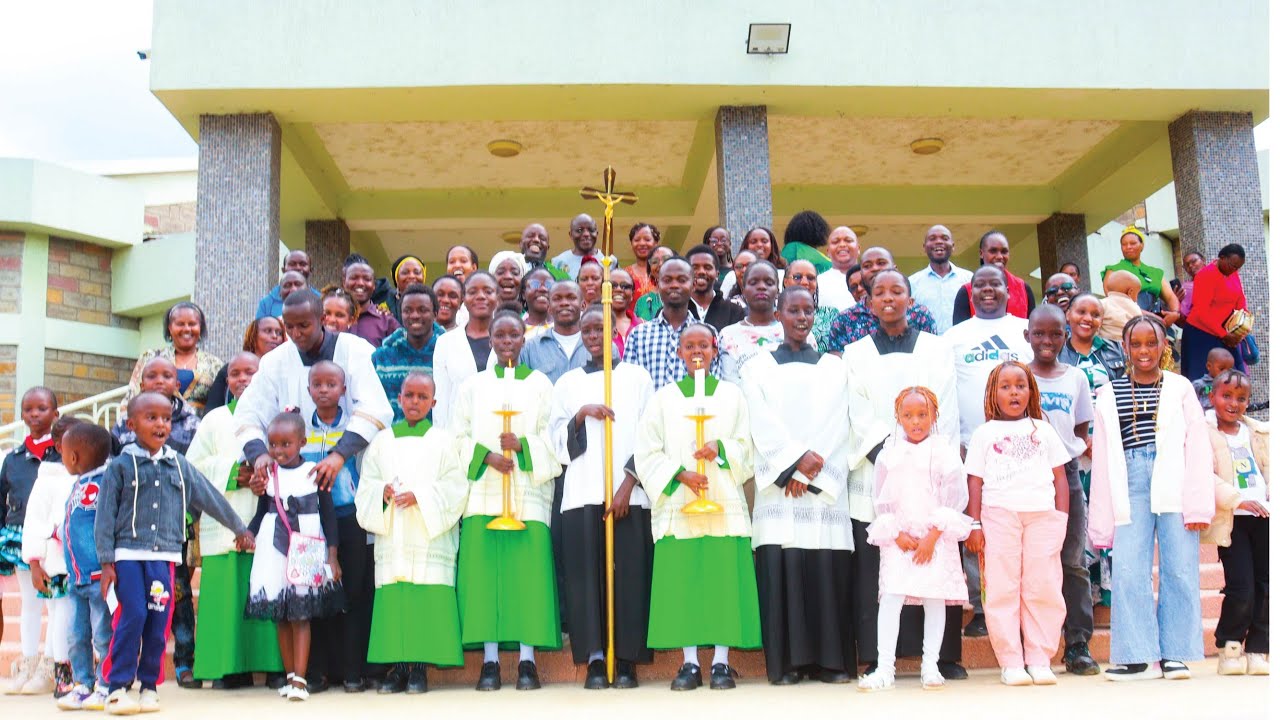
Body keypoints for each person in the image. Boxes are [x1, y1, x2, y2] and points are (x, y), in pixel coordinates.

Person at [95, 392, 254, 714]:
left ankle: (149, 686)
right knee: (133, 614)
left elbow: (209, 496)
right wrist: (106, 561)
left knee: (158, 620)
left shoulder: (179, 465)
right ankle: (117, 686)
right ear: (131, 424)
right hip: (127, 556)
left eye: (166, 418)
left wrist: (239, 527)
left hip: (164, 557)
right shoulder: (121, 466)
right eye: (151, 418)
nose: (160, 424)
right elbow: (105, 514)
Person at [844, 270, 964, 680]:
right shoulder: (855, 352)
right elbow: (856, 410)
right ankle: (883, 659)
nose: (889, 298)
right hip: (884, 470)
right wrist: (891, 455)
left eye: (898, 290)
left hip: (931, 475)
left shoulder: (935, 347)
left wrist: (929, 459)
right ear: (869, 302)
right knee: (888, 574)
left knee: (932, 565)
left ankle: (940, 659)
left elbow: (945, 405)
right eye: (880, 292)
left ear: (911, 299)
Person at [635, 323, 760, 691]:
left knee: (723, 584)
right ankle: (689, 664)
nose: (696, 352)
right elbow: (646, 451)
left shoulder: (732, 396)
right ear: (678, 352)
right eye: (689, 345)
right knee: (683, 584)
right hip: (679, 501)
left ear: (714, 349)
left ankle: (721, 663)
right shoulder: (663, 399)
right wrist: (680, 475)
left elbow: (746, 447)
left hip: (722, 500)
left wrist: (721, 450)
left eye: (703, 345)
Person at [1087, 316, 1214, 681]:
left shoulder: (1180, 387)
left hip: (1174, 475)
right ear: (1125, 347)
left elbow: (1198, 446)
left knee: (1179, 568)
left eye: (1151, 343)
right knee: (1128, 570)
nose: (1144, 351)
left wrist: (1199, 502)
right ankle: (1138, 656)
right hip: (1129, 478)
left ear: (1164, 346)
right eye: (1136, 344)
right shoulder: (1109, 392)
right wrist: (1101, 518)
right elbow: (1104, 456)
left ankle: (1175, 654)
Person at [741, 287, 855, 685]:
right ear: (779, 313)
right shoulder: (756, 367)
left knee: (824, 570)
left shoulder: (835, 367)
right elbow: (759, 420)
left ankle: (830, 662)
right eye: (794, 310)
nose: (802, 317)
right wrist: (791, 464)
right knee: (784, 571)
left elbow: (841, 421)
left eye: (809, 310)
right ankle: (787, 663)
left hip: (820, 487)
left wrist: (809, 470)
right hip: (779, 487)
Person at [451, 311, 562, 691]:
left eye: (514, 335)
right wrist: (486, 456)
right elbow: (457, 437)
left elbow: (554, 436)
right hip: (485, 494)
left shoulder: (541, 385)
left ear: (523, 340)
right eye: (500, 335)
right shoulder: (472, 387)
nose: (507, 341)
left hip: (526, 493)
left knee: (526, 578)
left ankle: (528, 661)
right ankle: (491, 660)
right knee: (486, 580)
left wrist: (524, 447)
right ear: (491, 341)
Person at [549, 306, 656, 689]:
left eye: (601, 328)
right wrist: (579, 416)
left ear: (615, 331)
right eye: (588, 329)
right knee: (584, 580)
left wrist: (628, 484)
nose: (594, 335)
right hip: (582, 493)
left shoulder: (637, 378)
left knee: (628, 577)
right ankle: (596, 658)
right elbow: (554, 440)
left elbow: (650, 436)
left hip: (627, 494)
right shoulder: (568, 383)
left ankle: (625, 658)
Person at [356, 372, 469, 693]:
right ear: (399, 399)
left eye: (422, 397)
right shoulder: (383, 442)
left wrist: (422, 496)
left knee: (425, 599)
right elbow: (367, 485)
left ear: (433, 402)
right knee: (397, 602)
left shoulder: (443, 441)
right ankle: (398, 669)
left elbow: (456, 486)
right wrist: (383, 493)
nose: (415, 402)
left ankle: (420, 669)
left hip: (427, 532)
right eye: (409, 396)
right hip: (394, 535)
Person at [235, 290, 393, 511]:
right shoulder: (274, 361)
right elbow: (248, 414)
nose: (295, 333)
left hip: (348, 479)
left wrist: (338, 455)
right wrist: (259, 455)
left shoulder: (354, 350)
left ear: (321, 320)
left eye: (303, 326)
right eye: (289, 327)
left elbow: (374, 409)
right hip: (294, 487)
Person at [964, 361, 1071, 686]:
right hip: (999, 516)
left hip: (1041, 516)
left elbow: (1061, 479)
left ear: (1031, 391)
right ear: (993, 394)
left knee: (1043, 586)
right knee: (1001, 587)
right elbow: (975, 482)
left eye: (1020, 386)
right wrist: (974, 524)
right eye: (1006, 387)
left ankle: (1039, 658)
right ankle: (1011, 661)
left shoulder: (1043, 430)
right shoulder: (984, 434)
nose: (1014, 392)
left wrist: (1060, 518)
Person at [857, 387, 969, 692]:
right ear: (898, 417)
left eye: (922, 415)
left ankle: (931, 666)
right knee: (892, 598)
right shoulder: (889, 454)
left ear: (934, 415)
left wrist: (932, 537)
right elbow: (881, 500)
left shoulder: (945, 452)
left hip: (935, 540)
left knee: (934, 599)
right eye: (908, 415)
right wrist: (897, 534)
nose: (916, 421)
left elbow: (955, 498)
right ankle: (884, 668)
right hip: (900, 541)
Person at [943, 265, 1034, 637]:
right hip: (971, 446)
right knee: (975, 528)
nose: (987, 290)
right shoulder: (953, 337)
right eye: (979, 285)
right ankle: (982, 608)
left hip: (1021, 446)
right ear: (970, 292)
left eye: (994, 284)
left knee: (1020, 528)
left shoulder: (1024, 330)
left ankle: (1024, 607)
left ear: (1007, 290)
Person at [186, 352, 283, 688]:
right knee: (227, 599)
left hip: (267, 518)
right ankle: (229, 668)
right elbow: (193, 467)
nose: (243, 379)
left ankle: (273, 665)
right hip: (225, 523)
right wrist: (232, 474)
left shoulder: (277, 415)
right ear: (226, 381)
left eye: (250, 372)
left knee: (268, 589)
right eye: (235, 374)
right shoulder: (214, 420)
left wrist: (264, 477)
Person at [244, 411, 344, 702]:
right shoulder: (268, 474)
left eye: (286, 444)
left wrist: (333, 556)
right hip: (272, 548)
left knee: (301, 614)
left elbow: (329, 516)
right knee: (281, 616)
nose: (278, 451)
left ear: (302, 442)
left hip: (306, 547)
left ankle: (301, 680)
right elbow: (262, 511)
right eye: (273, 445)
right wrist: (248, 533)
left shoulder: (314, 472)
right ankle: (289, 677)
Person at [1024, 305, 1100, 675]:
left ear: (1065, 337)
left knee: (1072, 559)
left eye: (1056, 334)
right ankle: (1032, 644)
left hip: (1066, 475)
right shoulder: (1018, 376)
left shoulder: (1076, 378)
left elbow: (1081, 430)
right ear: (1027, 336)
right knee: (1030, 563)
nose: (1047, 341)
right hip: (1025, 474)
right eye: (1039, 333)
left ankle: (1078, 643)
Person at [299, 361, 373, 693]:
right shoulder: (301, 429)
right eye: (318, 384)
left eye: (332, 384)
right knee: (317, 594)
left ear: (344, 389)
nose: (325, 389)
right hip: (312, 523)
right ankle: (318, 671)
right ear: (309, 389)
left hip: (350, 519)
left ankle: (353, 670)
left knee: (353, 592)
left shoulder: (357, 428)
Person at [1201, 370, 1270, 676]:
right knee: (1241, 586)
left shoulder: (1259, 432)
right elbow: (1205, 475)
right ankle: (1229, 645)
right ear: (1212, 397)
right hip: (1233, 520)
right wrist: (1237, 500)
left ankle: (1258, 648)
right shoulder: (1204, 433)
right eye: (1226, 396)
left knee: (1267, 586)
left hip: (1265, 519)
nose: (1233, 403)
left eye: (1241, 398)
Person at [1059, 293, 1125, 609]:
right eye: (1081, 311)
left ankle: (1109, 594)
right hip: (1072, 448)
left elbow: (1126, 398)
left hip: (1109, 448)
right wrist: (1082, 440)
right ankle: (1085, 594)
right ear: (1068, 315)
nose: (1088, 318)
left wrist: (1107, 441)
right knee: (1080, 521)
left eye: (1095, 314)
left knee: (1107, 517)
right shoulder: (1058, 352)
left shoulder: (1113, 352)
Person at [0, 387, 60, 695]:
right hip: (19, 537)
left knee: (51, 601)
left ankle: (50, 666)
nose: (34, 414)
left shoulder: (64, 453)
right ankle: (28, 661)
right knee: (29, 602)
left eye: (42, 408)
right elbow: (2, 500)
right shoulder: (13, 458)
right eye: (28, 409)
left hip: (52, 540)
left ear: (55, 414)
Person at [52, 423, 114, 711]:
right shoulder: (77, 484)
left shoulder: (104, 483)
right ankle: (82, 683)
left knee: (103, 633)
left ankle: (106, 684)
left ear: (74, 457)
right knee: (76, 634)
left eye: (63, 453)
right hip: (76, 577)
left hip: (98, 576)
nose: (62, 458)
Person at [18, 415, 81, 697]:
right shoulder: (47, 479)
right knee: (60, 613)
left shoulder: (87, 476)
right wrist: (34, 562)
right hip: (56, 562)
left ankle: (74, 671)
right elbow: (33, 522)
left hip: (82, 562)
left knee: (72, 617)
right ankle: (60, 674)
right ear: (57, 444)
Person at [624, 257, 723, 388]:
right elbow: (629, 385)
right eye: (667, 280)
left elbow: (713, 385)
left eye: (682, 280)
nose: (674, 285)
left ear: (693, 285)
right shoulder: (638, 335)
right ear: (658, 284)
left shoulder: (707, 334)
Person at [827, 247, 937, 353]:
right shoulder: (844, 320)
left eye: (881, 263)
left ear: (895, 269)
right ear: (861, 274)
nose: (874, 268)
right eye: (867, 266)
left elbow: (933, 356)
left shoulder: (921, 315)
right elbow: (839, 366)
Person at [125, 301, 222, 415]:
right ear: (170, 328)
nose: (186, 329)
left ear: (200, 328)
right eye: (180, 324)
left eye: (192, 324)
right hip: (156, 427)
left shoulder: (215, 364)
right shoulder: (151, 357)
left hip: (201, 429)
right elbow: (132, 397)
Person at [433, 272, 499, 430]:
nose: (481, 296)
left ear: (498, 297)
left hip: (500, 436)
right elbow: (441, 400)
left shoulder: (511, 340)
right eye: (472, 292)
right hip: (458, 438)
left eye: (488, 291)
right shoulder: (445, 342)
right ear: (463, 299)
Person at [373, 283, 444, 421]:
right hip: (391, 440)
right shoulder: (381, 357)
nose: (415, 315)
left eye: (422, 310)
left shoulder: (449, 353)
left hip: (438, 440)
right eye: (408, 310)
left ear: (435, 314)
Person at [1183, 243, 1249, 381]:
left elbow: (1240, 298)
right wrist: (1224, 335)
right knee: (1203, 379)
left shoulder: (1233, 273)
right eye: (1232, 265)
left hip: (1225, 333)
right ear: (1222, 258)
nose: (1234, 269)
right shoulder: (1205, 275)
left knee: (1235, 376)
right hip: (1200, 333)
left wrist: (1242, 322)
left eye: (1238, 267)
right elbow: (1201, 312)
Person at [112, 357, 201, 455]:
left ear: (177, 385)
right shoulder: (127, 421)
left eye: (167, 376)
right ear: (142, 386)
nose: (159, 381)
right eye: (152, 376)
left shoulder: (193, 424)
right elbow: (111, 457)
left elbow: (197, 463)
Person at [717, 261, 784, 385]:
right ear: (743, 289)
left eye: (769, 283)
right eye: (753, 283)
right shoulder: (728, 336)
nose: (761, 287)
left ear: (777, 290)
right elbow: (730, 383)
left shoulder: (792, 333)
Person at [951, 231, 1036, 325]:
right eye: (993, 251)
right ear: (981, 253)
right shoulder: (966, 291)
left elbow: (1033, 329)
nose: (999, 256)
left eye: (1004, 251)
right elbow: (960, 333)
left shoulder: (1023, 288)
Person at [204, 316, 285, 413]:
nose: (275, 336)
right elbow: (212, 408)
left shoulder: (284, 370)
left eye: (279, 333)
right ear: (253, 336)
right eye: (268, 331)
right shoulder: (231, 368)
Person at [1100, 226, 1180, 324]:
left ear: (1142, 245)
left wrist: (1175, 313)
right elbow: (1113, 299)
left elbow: (1170, 297)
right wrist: (1149, 316)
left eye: (1133, 243)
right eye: (1124, 244)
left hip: (1157, 322)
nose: (1128, 247)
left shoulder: (1155, 272)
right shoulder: (1113, 270)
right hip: (1128, 322)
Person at [520, 281, 590, 385]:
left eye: (571, 297)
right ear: (549, 308)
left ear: (583, 305)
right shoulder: (530, 349)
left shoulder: (602, 347)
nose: (564, 303)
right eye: (557, 299)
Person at [344, 256, 401, 347]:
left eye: (367, 279)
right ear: (344, 282)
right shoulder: (329, 316)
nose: (360, 283)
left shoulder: (387, 322)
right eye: (354, 278)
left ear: (374, 285)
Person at [783, 259, 838, 353]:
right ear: (786, 282)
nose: (805, 282)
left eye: (810, 278)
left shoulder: (831, 315)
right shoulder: (776, 315)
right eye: (797, 277)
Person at [687, 244, 744, 331]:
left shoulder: (735, 311)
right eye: (694, 267)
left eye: (708, 267)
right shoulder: (674, 311)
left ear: (717, 274)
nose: (701, 271)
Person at [256, 250, 320, 319]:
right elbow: (259, 328)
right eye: (292, 264)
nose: (298, 268)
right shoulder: (266, 303)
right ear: (283, 270)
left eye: (303, 264)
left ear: (311, 270)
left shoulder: (320, 299)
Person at [551, 214, 614, 279]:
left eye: (591, 230)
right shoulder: (558, 262)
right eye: (579, 230)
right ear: (571, 234)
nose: (586, 234)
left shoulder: (610, 260)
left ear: (597, 233)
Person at [814, 225, 859, 312]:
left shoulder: (870, 279)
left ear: (858, 248)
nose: (842, 245)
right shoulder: (817, 283)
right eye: (835, 242)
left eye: (848, 240)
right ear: (828, 252)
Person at [1099, 270, 1145, 342]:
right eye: (1137, 294)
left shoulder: (1101, 303)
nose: (1137, 298)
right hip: (1127, 345)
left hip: (1105, 344)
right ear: (1130, 292)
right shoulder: (1135, 308)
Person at [623, 222, 660, 308]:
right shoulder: (624, 274)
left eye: (647, 239)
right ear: (631, 244)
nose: (642, 243)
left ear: (656, 243)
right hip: (633, 321)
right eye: (637, 240)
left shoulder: (665, 272)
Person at [380, 254, 426, 323]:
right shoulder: (384, 300)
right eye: (405, 272)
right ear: (396, 278)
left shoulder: (433, 301)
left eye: (417, 272)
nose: (411, 276)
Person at [633, 245, 675, 321]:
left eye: (666, 259)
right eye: (654, 261)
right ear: (650, 271)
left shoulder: (687, 295)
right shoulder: (642, 302)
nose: (660, 264)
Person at [609, 268, 641, 357]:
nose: (619, 289)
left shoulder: (643, 325)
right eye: (613, 286)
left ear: (632, 295)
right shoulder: (593, 326)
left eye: (625, 286)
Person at [522, 267, 555, 336]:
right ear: (523, 294)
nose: (543, 289)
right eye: (535, 284)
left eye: (549, 285)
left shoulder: (565, 327)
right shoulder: (515, 329)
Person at [1177, 251, 1206, 318]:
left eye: (1193, 261)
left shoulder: (1219, 276)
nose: (1190, 266)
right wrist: (1177, 301)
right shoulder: (1185, 288)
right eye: (1186, 265)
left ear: (1203, 260)